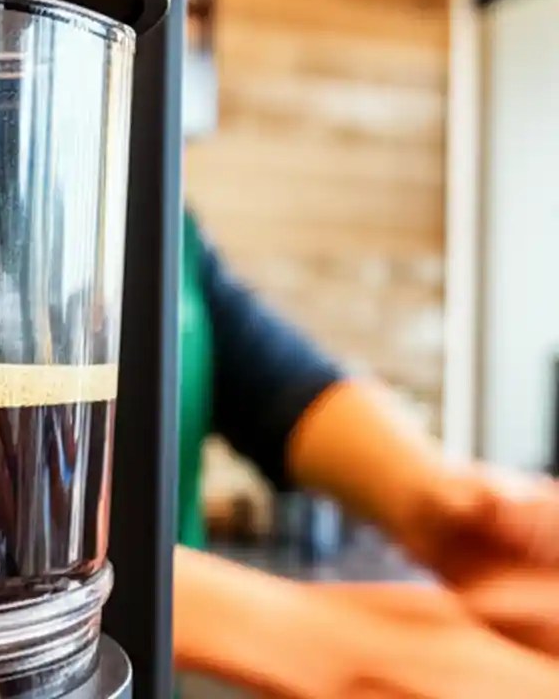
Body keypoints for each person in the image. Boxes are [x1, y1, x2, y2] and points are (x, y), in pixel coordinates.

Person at [171, 208, 559, 696]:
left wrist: (456, 505)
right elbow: (47, 568)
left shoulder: (172, 228)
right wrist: (338, 647)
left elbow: (274, 382)